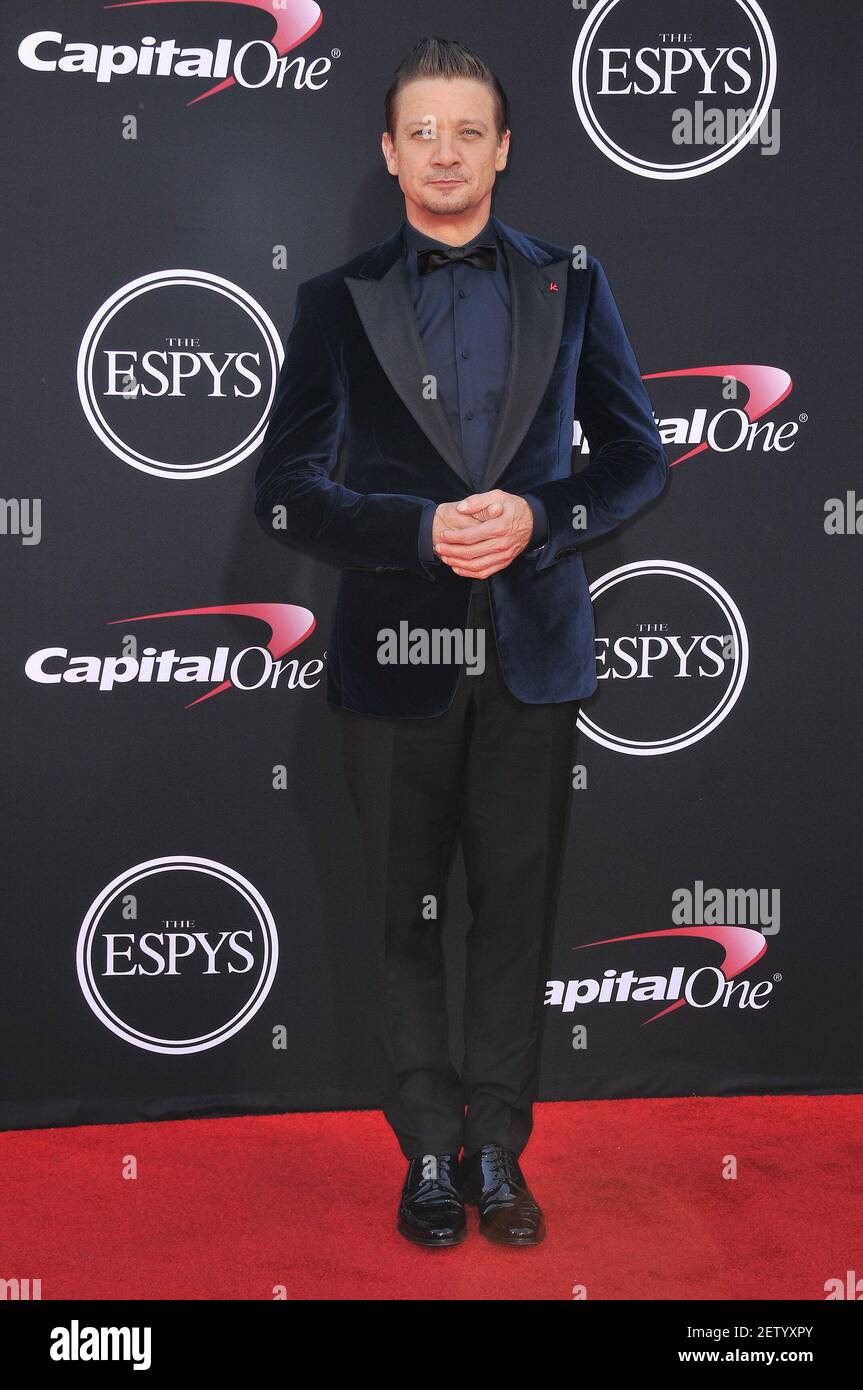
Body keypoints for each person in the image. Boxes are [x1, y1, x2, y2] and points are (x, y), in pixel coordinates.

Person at [254, 35, 669, 1247]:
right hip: (390, 667)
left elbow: (638, 456)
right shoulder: (333, 302)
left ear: (503, 147)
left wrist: (543, 515)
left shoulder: (572, 282)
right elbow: (286, 491)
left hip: (533, 652)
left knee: (513, 912)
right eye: (421, 131)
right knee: (396, 914)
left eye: (467, 130)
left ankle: (498, 1150)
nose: (445, 151)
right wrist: (422, 530)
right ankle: (426, 1151)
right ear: (389, 152)